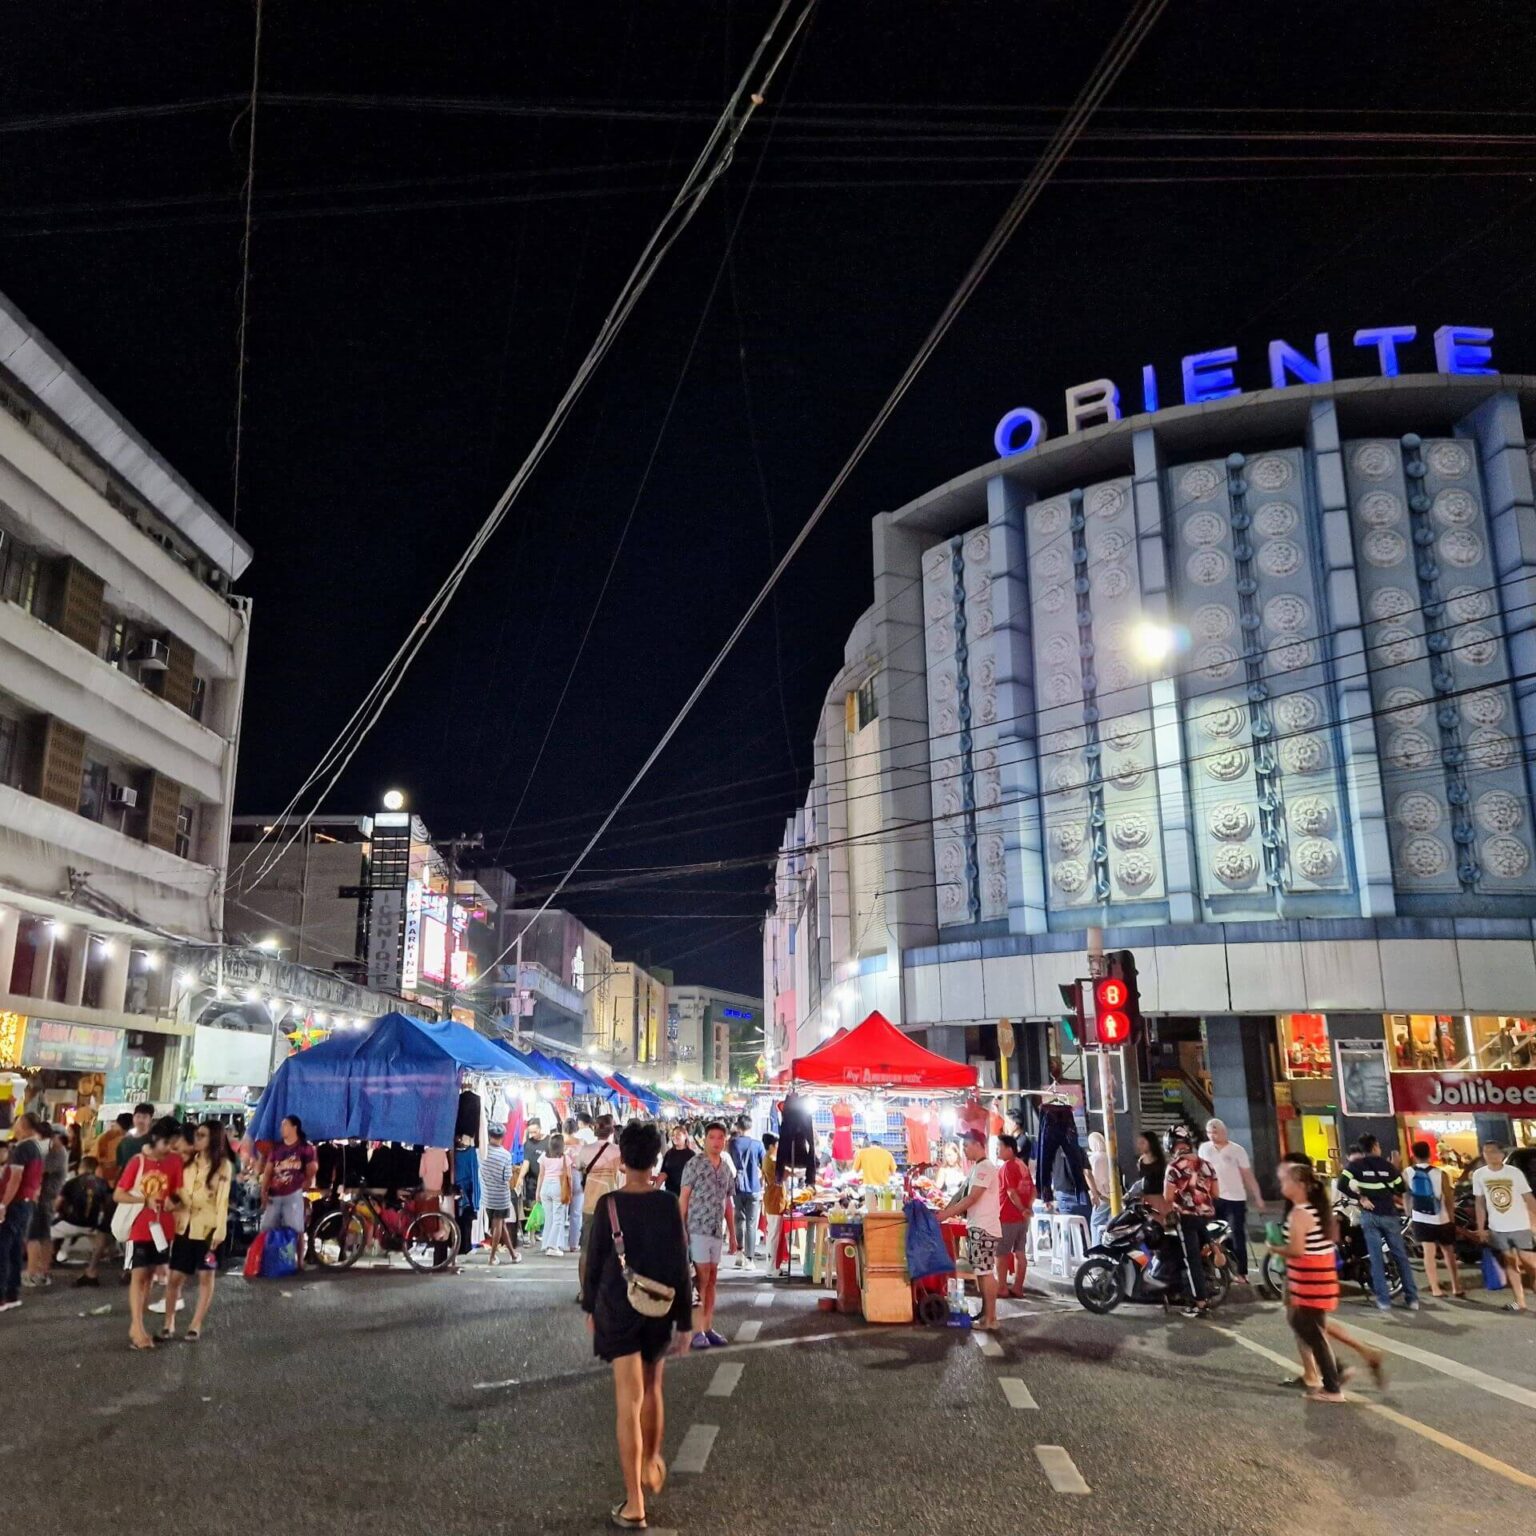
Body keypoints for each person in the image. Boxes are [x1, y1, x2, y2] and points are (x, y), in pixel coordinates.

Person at [581, 1119, 693, 1532]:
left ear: (623, 1158)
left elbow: (593, 1265)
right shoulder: (666, 1204)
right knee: (653, 1387)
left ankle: (635, 1503)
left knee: (627, 1399)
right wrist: (684, 1319)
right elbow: (681, 1264)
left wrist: (591, 1307)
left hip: (617, 1305)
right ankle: (652, 1459)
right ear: (656, 1159)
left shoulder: (609, 1204)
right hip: (659, 1307)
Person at [1271, 1159, 1346, 1403]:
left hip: (1310, 1281)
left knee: (1309, 1330)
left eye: (1286, 1180)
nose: (1282, 1184)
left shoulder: (1301, 1213)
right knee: (1312, 1330)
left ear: (1300, 1184)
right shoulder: (1316, 1209)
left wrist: (1275, 1248)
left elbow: (1296, 1249)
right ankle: (1332, 1378)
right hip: (1318, 1279)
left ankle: (1333, 1387)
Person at [114, 1116, 183, 1350]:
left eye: (174, 1144)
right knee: (138, 1275)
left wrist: (174, 1202)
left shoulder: (174, 1161)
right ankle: (137, 1327)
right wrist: (144, 1199)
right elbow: (119, 1194)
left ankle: (138, 1325)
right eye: (168, 1143)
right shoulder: (138, 1161)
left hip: (163, 1228)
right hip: (139, 1227)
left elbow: (177, 1192)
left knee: (150, 1278)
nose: (171, 1149)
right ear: (156, 1139)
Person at [162, 1121, 231, 1341]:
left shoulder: (223, 1166)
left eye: (202, 1135)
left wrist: (220, 1231)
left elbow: (223, 1201)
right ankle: (169, 1321)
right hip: (184, 1225)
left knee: (205, 1275)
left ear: (214, 1138)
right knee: (175, 1277)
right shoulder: (188, 1162)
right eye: (197, 1135)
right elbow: (177, 1188)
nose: (197, 1139)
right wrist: (173, 1201)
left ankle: (196, 1323)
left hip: (208, 1228)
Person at [1337, 1133, 1419, 1313]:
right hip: (1389, 1214)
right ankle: (1412, 1298)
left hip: (1370, 1215)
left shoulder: (1355, 1165)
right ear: (1375, 1147)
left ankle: (1383, 1301)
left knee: (1375, 1259)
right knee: (1400, 1257)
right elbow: (1401, 1188)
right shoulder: (1388, 1166)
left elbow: (1341, 1185)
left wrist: (1360, 1197)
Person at [678, 1121, 736, 1349]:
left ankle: (708, 1326)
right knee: (700, 1278)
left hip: (715, 1229)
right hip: (697, 1227)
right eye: (712, 1137)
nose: (716, 1142)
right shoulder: (694, 1164)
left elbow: (728, 1203)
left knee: (712, 1279)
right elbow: (683, 1198)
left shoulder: (725, 1168)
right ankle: (696, 1329)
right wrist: (680, 1228)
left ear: (725, 1140)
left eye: (720, 1138)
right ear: (704, 1140)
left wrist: (733, 1234)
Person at [938, 1129, 1001, 1330]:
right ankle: (987, 1317)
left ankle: (991, 1318)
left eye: (966, 1145)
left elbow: (972, 1198)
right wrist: (946, 1209)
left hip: (983, 1227)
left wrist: (945, 1215)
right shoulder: (977, 1168)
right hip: (978, 1226)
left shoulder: (985, 1168)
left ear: (978, 1145)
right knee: (981, 1271)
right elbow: (961, 1194)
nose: (964, 1150)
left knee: (985, 1272)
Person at [1472, 1140, 1536, 1313]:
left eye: (1493, 1151)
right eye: (1485, 1152)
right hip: (1498, 1227)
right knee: (1509, 1263)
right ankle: (1520, 1300)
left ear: (1501, 1154)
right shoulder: (1479, 1175)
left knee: (1529, 1263)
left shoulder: (1514, 1173)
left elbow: (1528, 1198)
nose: (1489, 1155)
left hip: (1520, 1224)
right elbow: (1480, 1202)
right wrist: (1481, 1227)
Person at [1198, 1118, 1263, 1284]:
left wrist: (1257, 1196)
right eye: (1209, 1132)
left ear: (1224, 1132)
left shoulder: (1237, 1150)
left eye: (1215, 1132)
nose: (1212, 1135)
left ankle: (1242, 1272)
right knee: (1210, 1235)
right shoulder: (1204, 1149)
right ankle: (1214, 1270)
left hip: (1234, 1199)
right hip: (1212, 1198)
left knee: (1236, 1234)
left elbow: (1247, 1175)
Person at [1163, 1124, 1217, 1318]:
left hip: (1186, 1218)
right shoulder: (1207, 1165)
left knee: (1191, 1260)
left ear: (1171, 1145)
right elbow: (1216, 1192)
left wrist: (1182, 1196)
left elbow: (1168, 1197)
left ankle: (1200, 1304)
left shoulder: (1175, 1168)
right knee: (1198, 1257)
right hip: (1206, 1217)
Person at [1405, 1139, 1464, 1300]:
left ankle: (1435, 1288)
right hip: (1441, 1217)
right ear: (1429, 1154)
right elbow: (1449, 1198)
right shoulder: (1441, 1173)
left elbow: (1406, 1196)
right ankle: (1456, 1286)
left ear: (1413, 1155)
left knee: (1428, 1254)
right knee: (1448, 1253)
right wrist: (1451, 1217)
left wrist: (1409, 1212)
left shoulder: (1408, 1172)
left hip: (1420, 1218)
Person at [0, 1112, 47, 1313]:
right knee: (15, 1248)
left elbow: (15, 1179)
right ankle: (12, 1293)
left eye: (18, 1123)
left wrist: (3, 1204)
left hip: (15, 1203)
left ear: (25, 1126)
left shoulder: (22, 1148)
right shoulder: (37, 1147)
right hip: (26, 1203)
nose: (15, 1127)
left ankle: (2, 1296)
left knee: (2, 1248)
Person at [259, 1115, 317, 1264]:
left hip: (293, 1193)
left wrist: (307, 1181)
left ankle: (299, 1262)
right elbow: (268, 1172)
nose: (281, 1128)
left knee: (297, 1228)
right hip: (274, 1194)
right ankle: (265, 1260)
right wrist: (263, 1191)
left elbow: (312, 1167)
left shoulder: (305, 1148)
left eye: (285, 1125)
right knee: (266, 1228)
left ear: (294, 1127)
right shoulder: (276, 1148)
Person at [578, 1116, 624, 1290]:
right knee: (613, 1250)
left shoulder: (585, 1150)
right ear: (612, 1130)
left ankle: (584, 1290)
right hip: (612, 1207)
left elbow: (578, 1166)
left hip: (590, 1205)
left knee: (586, 1250)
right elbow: (625, 1169)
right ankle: (609, 1288)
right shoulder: (618, 1151)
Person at [52, 1154, 114, 1282]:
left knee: (45, 1231)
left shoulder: (71, 1183)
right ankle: (92, 1269)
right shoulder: (102, 1183)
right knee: (100, 1239)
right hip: (92, 1226)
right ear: (96, 1168)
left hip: (71, 1224)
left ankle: (48, 1260)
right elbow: (107, 1205)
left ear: (81, 1167)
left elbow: (57, 1205)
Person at [24, 1122, 67, 1288]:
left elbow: (37, 1172)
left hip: (42, 1199)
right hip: (45, 1199)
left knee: (34, 1236)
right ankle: (42, 1272)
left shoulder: (56, 1153)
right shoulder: (54, 1152)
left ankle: (33, 1273)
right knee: (43, 1235)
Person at [996, 1133, 1035, 1298]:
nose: (997, 1150)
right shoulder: (1022, 1165)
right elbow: (1033, 1190)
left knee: (1002, 1253)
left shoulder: (1007, 1167)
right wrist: (1027, 1209)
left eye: (999, 1147)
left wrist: (1021, 1209)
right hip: (1022, 1217)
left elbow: (1011, 1192)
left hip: (1008, 1215)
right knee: (1020, 1252)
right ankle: (1018, 1287)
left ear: (1009, 1149)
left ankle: (1002, 1287)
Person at [727, 1117, 764, 1268]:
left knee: (739, 1220)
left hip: (738, 1187)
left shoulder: (733, 1143)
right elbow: (763, 1165)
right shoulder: (758, 1144)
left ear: (738, 1126)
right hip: (754, 1187)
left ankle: (739, 1254)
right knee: (751, 1223)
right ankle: (749, 1259)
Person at [481, 1127, 520, 1265]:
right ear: (502, 1137)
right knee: (498, 1225)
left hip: (487, 1195)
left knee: (501, 1225)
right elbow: (507, 1177)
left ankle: (513, 1254)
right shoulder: (505, 1155)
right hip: (501, 1196)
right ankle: (492, 1257)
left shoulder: (482, 1152)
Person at [453, 1131, 482, 1268]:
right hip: (465, 1190)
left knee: (461, 1220)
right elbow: (475, 1174)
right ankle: (463, 1247)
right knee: (463, 1221)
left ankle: (462, 1247)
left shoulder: (455, 1153)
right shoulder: (469, 1153)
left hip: (462, 1190)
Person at [540, 1132, 570, 1256]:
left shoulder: (543, 1156)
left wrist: (538, 1192)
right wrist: (570, 1192)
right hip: (558, 1187)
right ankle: (552, 1246)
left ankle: (546, 1243)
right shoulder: (564, 1158)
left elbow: (541, 1175)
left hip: (545, 1187)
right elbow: (569, 1177)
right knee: (558, 1218)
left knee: (549, 1218)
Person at [761, 1132, 788, 1273]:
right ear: (772, 1146)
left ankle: (772, 1267)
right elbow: (780, 1177)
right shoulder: (770, 1161)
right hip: (774, 1200)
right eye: (777, 1144)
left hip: (774, 1200)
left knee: (773, 1235)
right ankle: (771, 1268)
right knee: (773, 1236)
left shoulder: (769, 1159)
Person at [1086, 1130, 1113, 1246]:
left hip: (1101, 1196)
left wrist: (1094, 1194)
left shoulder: (1094, 1158)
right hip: (1112, 1195)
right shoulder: (1109, 1156)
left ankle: (1096, 1248)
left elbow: (1089, 1174)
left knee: (1095, 1223)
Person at [116, 1103, 155, 1177]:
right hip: (126, 1181)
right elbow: (120, 1166)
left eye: (144, 1117)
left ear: (150, 1119)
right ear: (133, 1117)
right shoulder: (124, 1141)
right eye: (138, 1116)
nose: (140, 1120)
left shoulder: (154, 1141)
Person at [658, 1124, 695, 1197]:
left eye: (678, 1134)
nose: (675, 1137)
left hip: (686, 1194)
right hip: (670, 1192)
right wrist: (656, 1188)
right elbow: (664, 1172)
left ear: (685, 1136)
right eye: (673, 1135)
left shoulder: (691, 1155)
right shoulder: (669, 1154)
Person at [1133, 1131, 1167, 1205]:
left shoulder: (1161, 1161)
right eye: (1139, 1143)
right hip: (1146, 1198)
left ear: (1151, 1143)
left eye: (1143, 1143)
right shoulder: (1140, 1161)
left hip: (1160, 1198)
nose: (1139, 1146)